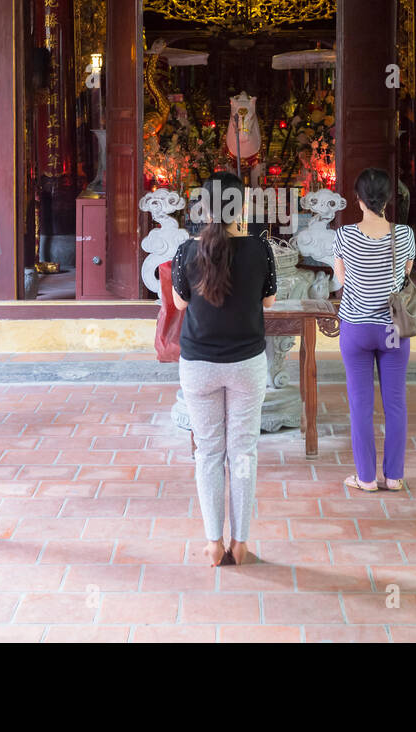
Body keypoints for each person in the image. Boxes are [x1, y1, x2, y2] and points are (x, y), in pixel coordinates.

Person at [171, 171, 277, 566]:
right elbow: (268, 302)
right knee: (243, 451)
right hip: (246, 363)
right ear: (241, 206)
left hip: (198, 364)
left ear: (204, 207)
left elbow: (180, 304)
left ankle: (213, 543)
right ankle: (241, 543)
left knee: (209, 454)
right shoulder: (260, 249)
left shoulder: (186, 251)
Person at [332, 167, 415, 494]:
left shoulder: (344, 235)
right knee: (395, 404)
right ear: (388, 200)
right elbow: (406, 276)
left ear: (359, 199)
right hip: (392, 328)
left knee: (360, 405)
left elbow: (341, 280)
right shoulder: (405, 235)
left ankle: (365, 477)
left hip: (356, 328)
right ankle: (393, 477)